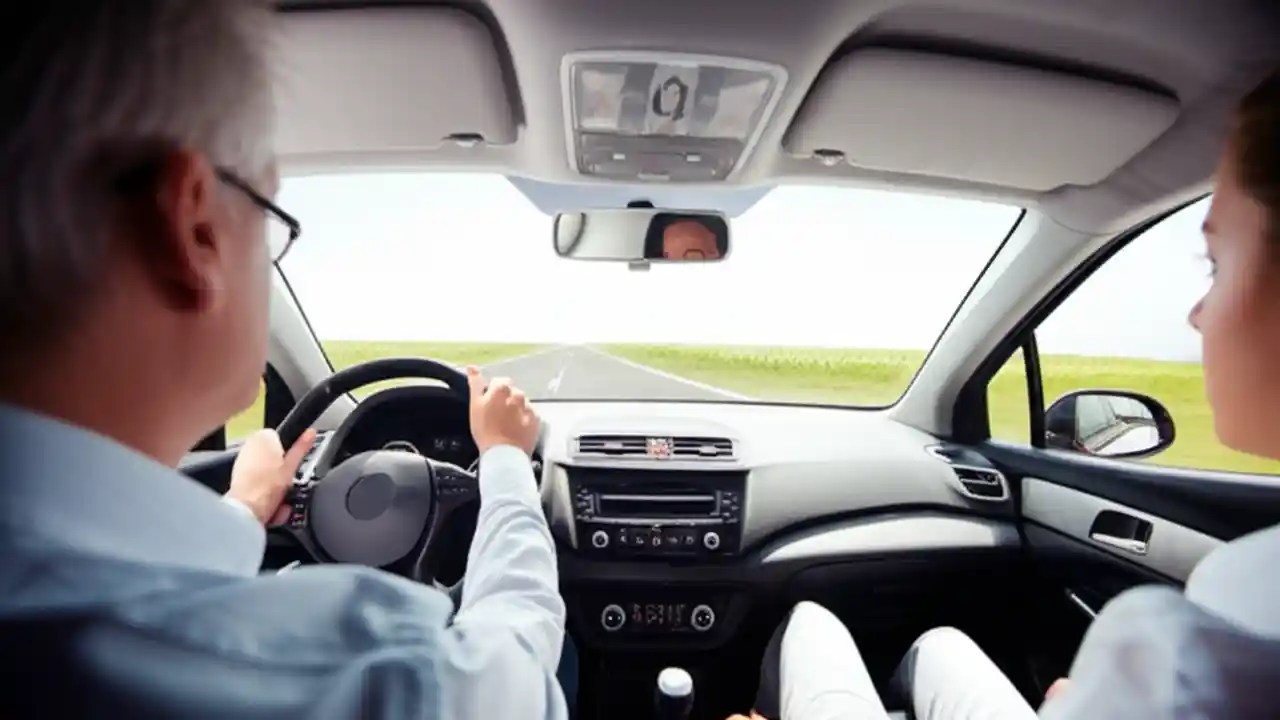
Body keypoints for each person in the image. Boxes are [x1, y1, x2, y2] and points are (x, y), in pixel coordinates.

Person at [0, 2, 566, 718]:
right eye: (271, 219)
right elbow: (521, 659)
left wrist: (243, 510)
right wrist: (506, 462)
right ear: (193, 228)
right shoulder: (376, 675)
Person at [731, 66, 1280, 720]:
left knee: (812, 630)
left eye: (1215, 264)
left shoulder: (1188, 651)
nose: (1195, 315)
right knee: (940, 645)